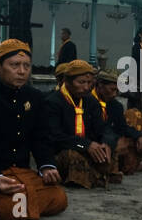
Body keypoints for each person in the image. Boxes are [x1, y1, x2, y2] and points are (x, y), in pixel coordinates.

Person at [0, 39, 67, 220]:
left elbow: (41, 138)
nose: (22, 71)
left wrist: (46, 165)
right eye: (15, 65)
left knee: (59, 199)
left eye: (26, 65)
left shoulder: (35, 97)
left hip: (21, 172)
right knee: (5, 208)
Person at [43, 59, 119, 187]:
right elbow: (54, 136)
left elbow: (104, 128)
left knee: (109, 151)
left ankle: (95, 175)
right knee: (73, 157)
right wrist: (85, 145)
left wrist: (106, 143)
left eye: (89, 83)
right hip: (63, 149)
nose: (86, 87)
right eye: (81, 82)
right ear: (67, 82)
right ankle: (94, 177)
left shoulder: (90, 101)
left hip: (89, 148)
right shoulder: (53, 102)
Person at [94, 69, 142, 175]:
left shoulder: (115, 106)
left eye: (117, 91)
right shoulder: (87, 102)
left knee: (133, 139)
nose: (114, 94)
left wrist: (140, 136)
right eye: (111, 89)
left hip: (110, 140)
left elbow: (122, 128)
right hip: (93, 142)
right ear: (100, 85)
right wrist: (112, 141)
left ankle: (128, 166)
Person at [128, 27, 142, 111]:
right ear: (140, 35)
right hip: (137, 77)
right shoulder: (137, 46)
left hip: (141, 77)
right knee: (135, 99)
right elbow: (136, 63)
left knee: (140, 101)